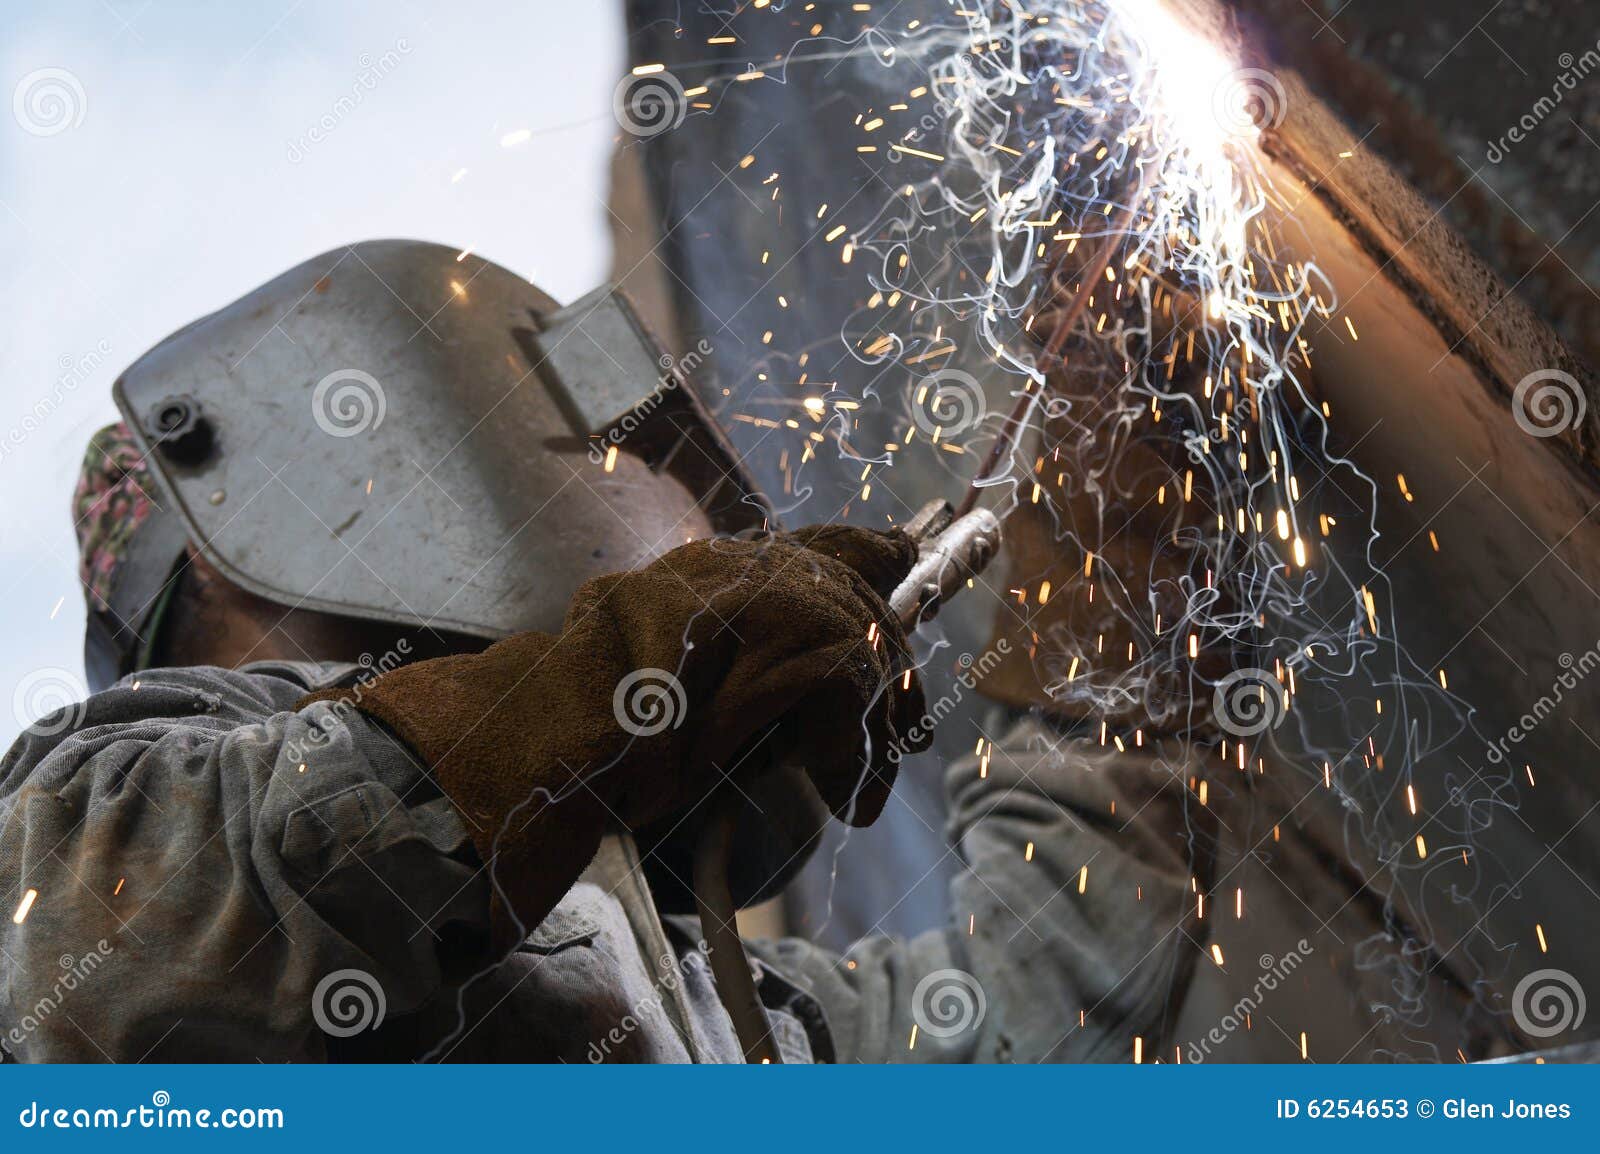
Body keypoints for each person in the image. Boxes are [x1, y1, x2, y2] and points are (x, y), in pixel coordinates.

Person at [0, 241, 1206, 1063]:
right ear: (220, 540)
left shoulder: (700, 996)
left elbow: (1045, 1009)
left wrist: (1106, 574)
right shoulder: (87, 825)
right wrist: (594, 692)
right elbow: (103, 941)